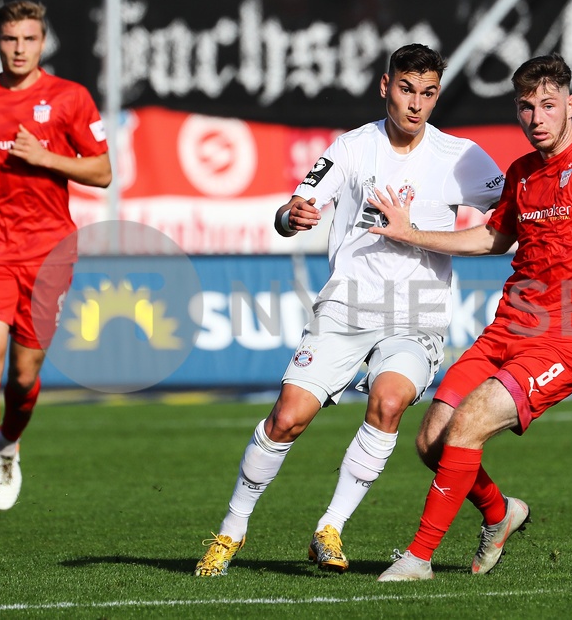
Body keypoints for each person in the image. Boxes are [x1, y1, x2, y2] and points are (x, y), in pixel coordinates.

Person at [368, 53, 572, 581]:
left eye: (548, 105)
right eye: (527, 107)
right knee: (432, 442)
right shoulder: (522, 173)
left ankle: (418, 558)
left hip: (567, 339)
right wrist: (411, 234)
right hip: (508, 329)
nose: (537, 118)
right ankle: (500, 513)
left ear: (570, 105)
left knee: (468, 424)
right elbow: (492, 238)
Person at [193, 44, 505, 577]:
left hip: (417, 313)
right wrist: (291, 217)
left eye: (428, 93)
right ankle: (231, 530)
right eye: (406, 89)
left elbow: (517, 215)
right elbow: (291, 211)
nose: (416, 104)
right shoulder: (352, 147)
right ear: (386, 87)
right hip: (346, 305)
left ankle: (330, 527)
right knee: (287, 418)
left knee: (389, 402)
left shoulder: (462, 157)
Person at [0, 0, 112, 526]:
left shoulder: (69, 97)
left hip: (47, 253)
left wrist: (44, 157)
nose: (19, 49)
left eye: (29, 39)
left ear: (43, 42)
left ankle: (8, 445)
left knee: (23, 373)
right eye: (10, 39)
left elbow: (102, 172)